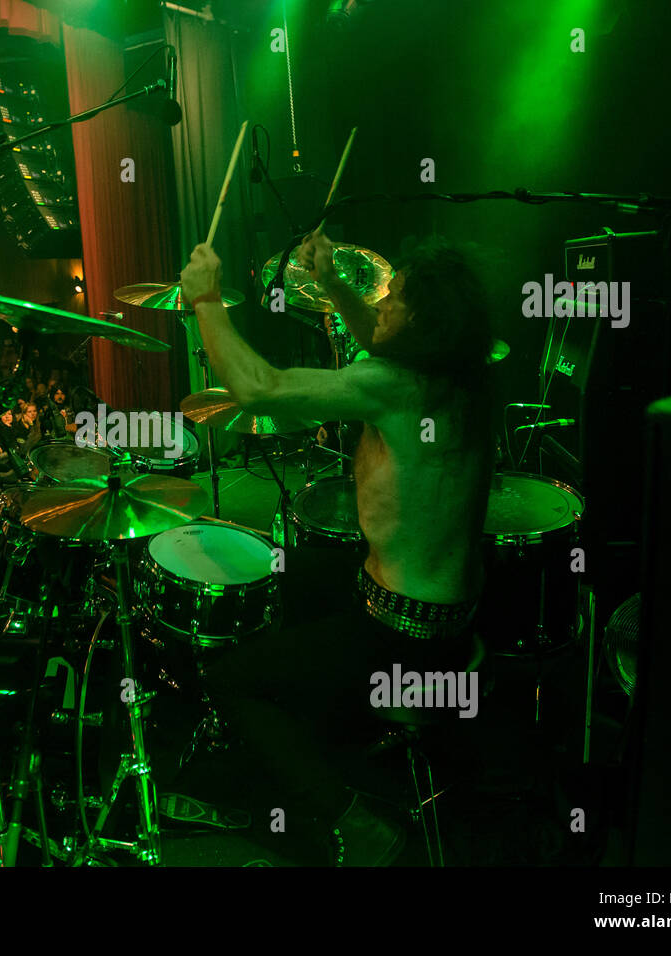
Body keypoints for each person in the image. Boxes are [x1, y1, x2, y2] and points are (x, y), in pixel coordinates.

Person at [179, 231, 495, 866]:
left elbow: (260, 388)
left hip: (398, 632)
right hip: (451, 618)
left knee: (230, 677)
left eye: (394, 296)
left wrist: (206, 301)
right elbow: (383, 343)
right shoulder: (468, 377)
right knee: (275, 572)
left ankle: (355, 818)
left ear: (423, 317)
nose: (381, 302)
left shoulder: (395, 385)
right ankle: (323, 722)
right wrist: (331, 282)